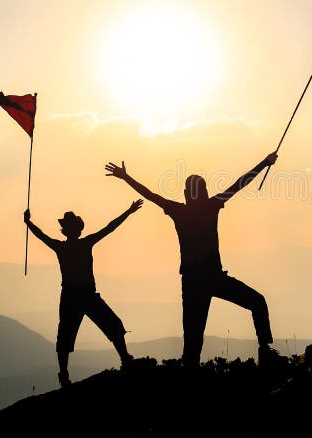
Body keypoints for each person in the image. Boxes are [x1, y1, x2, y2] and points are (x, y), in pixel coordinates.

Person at [104, 153, 284, 367]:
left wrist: (126, 177)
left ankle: (192, 371)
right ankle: (265, 351)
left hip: (192, 282)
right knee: (257, 302)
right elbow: (239, 184)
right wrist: (264, 162)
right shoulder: (211, 206)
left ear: (186, 193)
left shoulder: (179, 211)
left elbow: (150, 195)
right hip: (214, 278)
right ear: (204, 191)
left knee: (193, 338)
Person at [24, 199, 143, 387]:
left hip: (71, 296)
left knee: (66, 335)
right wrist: (128, 212)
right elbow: (109, 228)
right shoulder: (85, 243)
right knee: (111, 325)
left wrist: (28, 223)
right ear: (78, 229)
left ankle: (64, 375)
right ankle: (125, 359)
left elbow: (41, 236)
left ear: (66, 230)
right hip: (86, 295)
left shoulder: (61, 247)